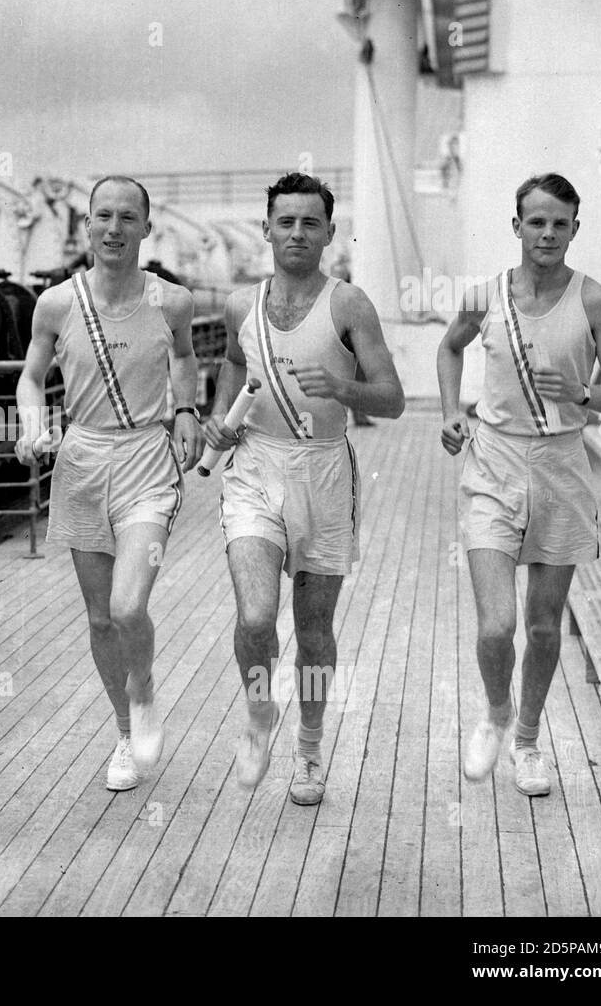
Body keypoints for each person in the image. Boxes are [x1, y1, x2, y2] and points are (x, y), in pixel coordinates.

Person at [203, 172, 404, 805]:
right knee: (257, 615)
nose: (296, 233)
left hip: (324, 472)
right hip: (257, 470)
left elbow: (393, 397)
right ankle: (260, 715)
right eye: (284, 221)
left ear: (328, 233)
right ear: (266, 229)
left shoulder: (350, 305)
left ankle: (310, 750)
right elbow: (232, 371)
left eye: (309, 222)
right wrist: (219, 420)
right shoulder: (241, 305)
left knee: (313, 628)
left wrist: (344, 388)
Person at [437, 172, 601, 795]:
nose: (547, 233)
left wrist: (582, 392)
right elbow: (449, 350)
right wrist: (450, 410)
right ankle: (496, 713)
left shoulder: (596, 299)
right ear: (516, 225)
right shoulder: (484, 296)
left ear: (575, 229)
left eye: (560, 223)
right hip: (493, 465)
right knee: (496, 625)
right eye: (536, 221)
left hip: (562, 467)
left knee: (544, 625)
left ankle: (527, 740)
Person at [15, 176, 203, 791]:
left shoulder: (171, 301)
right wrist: (33, 422)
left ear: (146, 228)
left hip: (146, 457)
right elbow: (31, 374)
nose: (114, 228)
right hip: (83, 457)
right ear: (87, 227)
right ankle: (126, 732)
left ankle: (143, 695)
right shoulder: (56, 304)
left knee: (128, 605)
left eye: (128, 217)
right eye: (103, 216)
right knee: (100, 618)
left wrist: (183, 410)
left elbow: (182, 358)